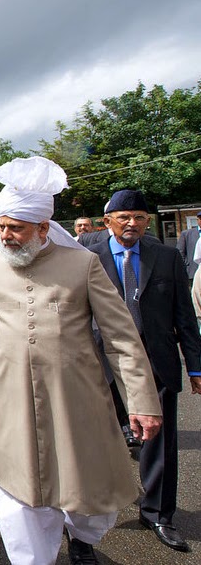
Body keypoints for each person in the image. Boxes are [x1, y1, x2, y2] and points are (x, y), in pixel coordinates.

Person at [0, 157, 162, 565]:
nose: (5, 236)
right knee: (17, 487)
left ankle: (81, 535)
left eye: (15, 228)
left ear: (42, 229)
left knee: (84, 486)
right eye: (1, 226)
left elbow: (122, 339)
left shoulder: (83, 265)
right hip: (12, 395)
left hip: (76, 396)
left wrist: (141, 402)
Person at [87, 189, 201, 552]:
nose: (132, 224)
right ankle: (88, 518)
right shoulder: (87, 256)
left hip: (157, 361)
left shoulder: (166, 257)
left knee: (159, 441)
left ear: (147, 221)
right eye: (124, 218)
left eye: (138, 217)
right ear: (108, 222)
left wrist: (196, 365)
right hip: (101, 363)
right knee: (95, 439)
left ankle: (157, 514)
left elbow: (184, 315)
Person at [176, 210, 201, 279]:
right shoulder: (186, 234)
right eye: (200, 219)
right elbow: (180, 252)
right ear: (197, 220)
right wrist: (186, 264)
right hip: (193, 271)